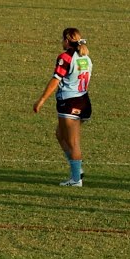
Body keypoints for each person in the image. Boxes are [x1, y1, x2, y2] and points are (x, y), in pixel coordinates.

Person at [33, 28, 92, 187]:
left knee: (73, 142)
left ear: (67, 40)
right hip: (84, 100)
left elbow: (55, 80)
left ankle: (76, 179)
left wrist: (41, 100)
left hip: (70, 102)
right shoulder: (85, 56)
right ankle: (77, 169)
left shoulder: (65, 57)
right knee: (60, 134)